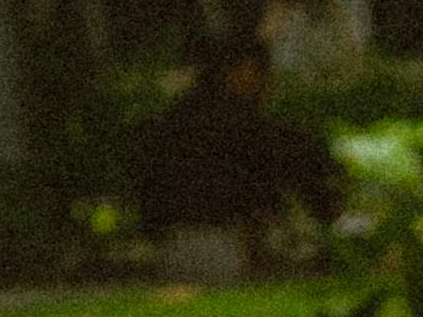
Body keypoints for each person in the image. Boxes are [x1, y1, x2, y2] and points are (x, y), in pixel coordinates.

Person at [137, 33, 333, 284]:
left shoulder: (176, 120)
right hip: (221, 245)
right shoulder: (243, 127)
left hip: (172, 247)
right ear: (244, 72)